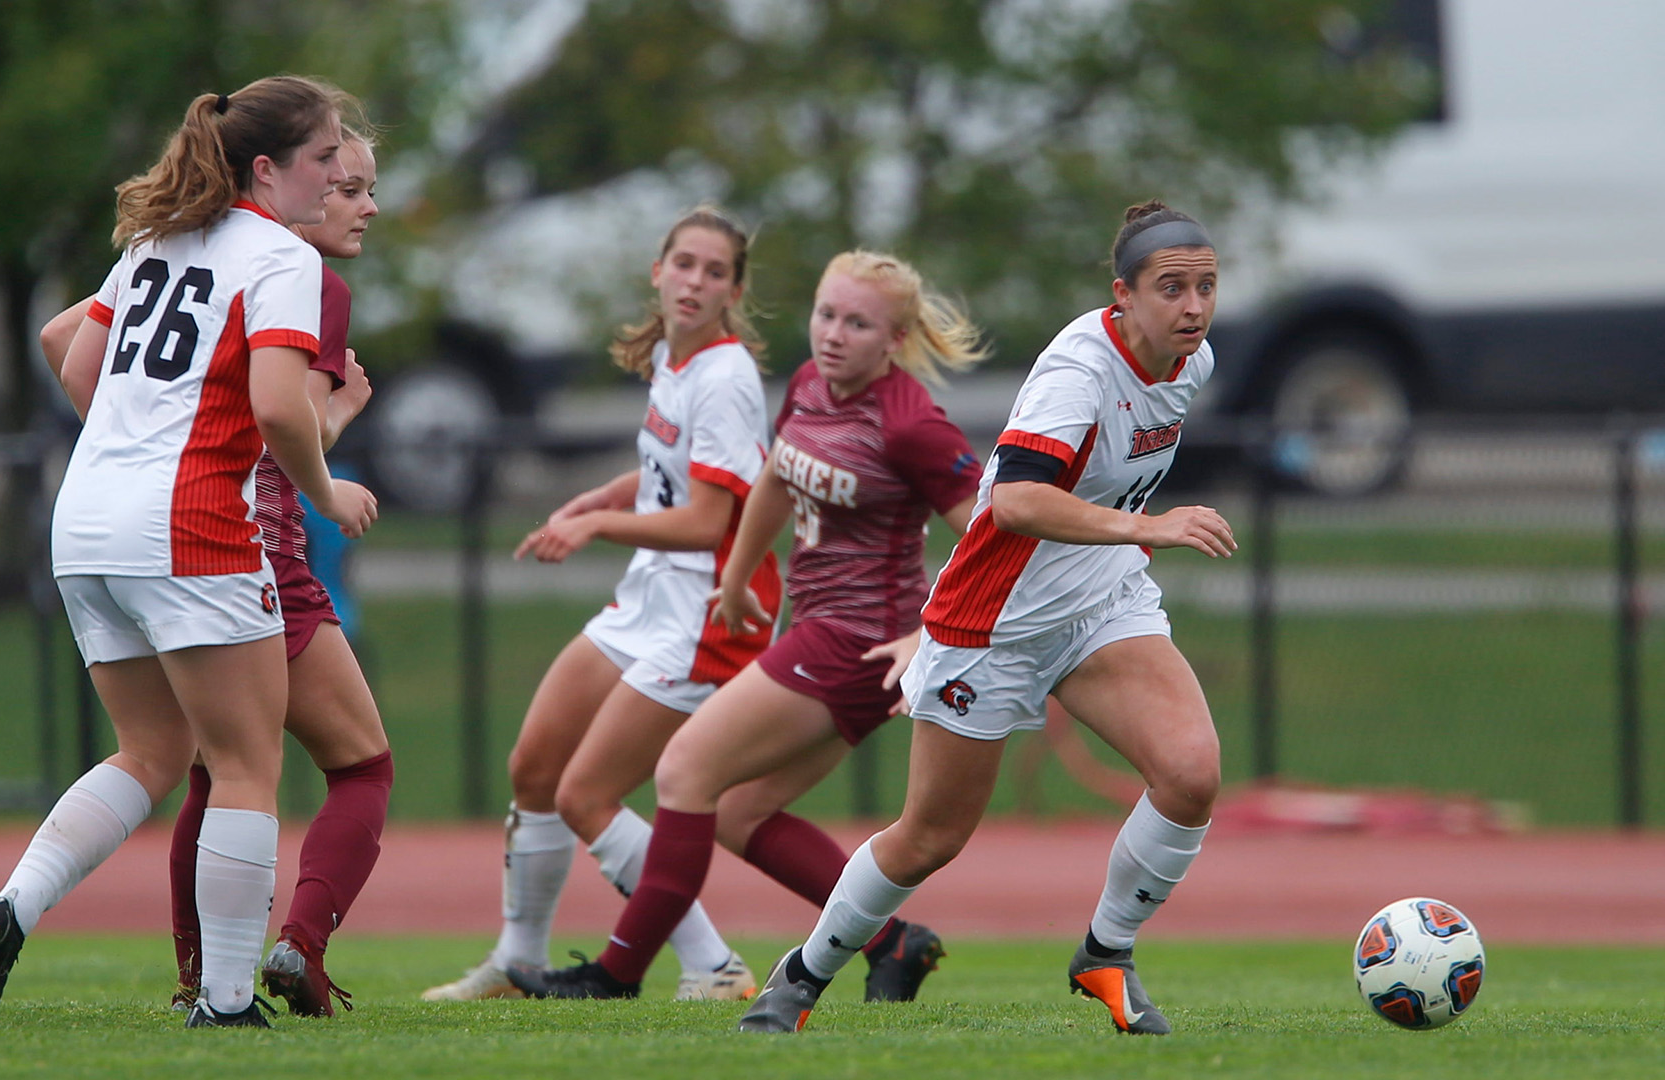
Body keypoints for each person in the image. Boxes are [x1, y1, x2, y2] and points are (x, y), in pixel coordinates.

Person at [739, 200, 1235, 1036]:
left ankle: (1106, 957)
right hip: (993, 618)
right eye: (1171, 287)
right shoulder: (1080, 371)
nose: (1192, 307)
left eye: (1207, 287)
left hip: (1098, 597)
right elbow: (1011, 501)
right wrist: (1147, 527)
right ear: (1123, 295)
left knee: (1191, 774)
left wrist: (1125, 541)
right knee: (929, 836)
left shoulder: (1193, 362)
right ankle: (799, 978)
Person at [0, 76, 379, 1030]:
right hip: (188, 524)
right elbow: (276, 405)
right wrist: (326, 489)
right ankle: (225, 1004)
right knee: (244, 765)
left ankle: (10, 907)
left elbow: (76, 362)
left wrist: (132, 452)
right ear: (266, 170)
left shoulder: (157, 239)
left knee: (150, 752)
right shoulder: (280, 257)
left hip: (85, 521)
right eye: (325, 157)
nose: (340, 172)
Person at [505, 250, 990, 1002]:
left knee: (685, 770)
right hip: (824, 629)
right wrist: (736, 577)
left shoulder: (910, 422)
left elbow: (992, 540)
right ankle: (894, 941)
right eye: (826, 313)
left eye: (857, 323)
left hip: (860, 646)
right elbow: (774, 476)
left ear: (894, 340)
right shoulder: (810, 383)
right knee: (737, 810)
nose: (832, 333)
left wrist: (934, 634)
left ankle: (617, 973)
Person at [422, 206, 779, 1003]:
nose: (695, 281)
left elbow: (707, 521)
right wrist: (600, 495)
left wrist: (595, 526)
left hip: (709, 611)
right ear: (658, 271)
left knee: (586, 795)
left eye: (715, 272)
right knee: (535, 769)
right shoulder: (670, 357)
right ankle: (519, 963)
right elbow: (666, 472)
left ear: (734, 290)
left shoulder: (724, 376)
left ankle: (715, 967)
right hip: (651, 598)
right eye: (683, 263)